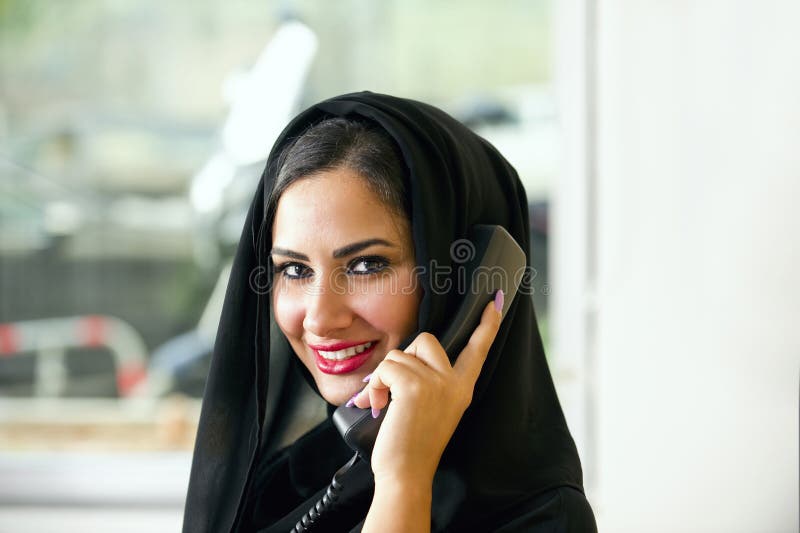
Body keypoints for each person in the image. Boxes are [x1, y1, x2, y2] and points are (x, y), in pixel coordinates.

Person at [182, 92, 597, 532]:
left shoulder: (545, 519)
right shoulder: (291, 483)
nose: (320, 319)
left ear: (467, 284)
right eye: (295, 269)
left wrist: (403, 479)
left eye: (366, 266)